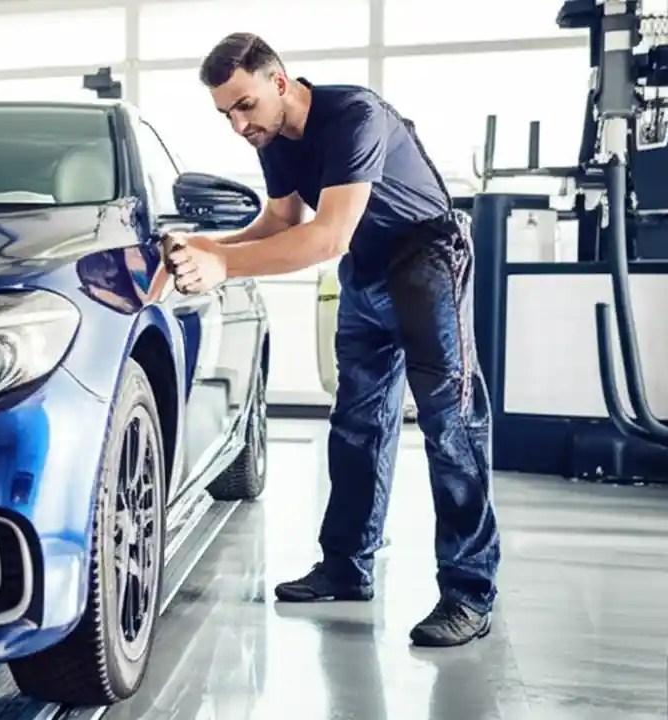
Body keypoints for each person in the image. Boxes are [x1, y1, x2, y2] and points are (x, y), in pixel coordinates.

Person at [164, 32, 500, 648]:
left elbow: (326, 236)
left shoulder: (355, 116)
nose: (238, 124)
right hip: (367, 269)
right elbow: (281, 221)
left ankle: (468, 594)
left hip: (427, 256)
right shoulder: (272, 140)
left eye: (244, 105)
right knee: (356, 424)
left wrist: (225, 267)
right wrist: (213, 245)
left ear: (280, 82)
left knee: (450, 424)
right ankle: (347, 565)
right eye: (226, 113)